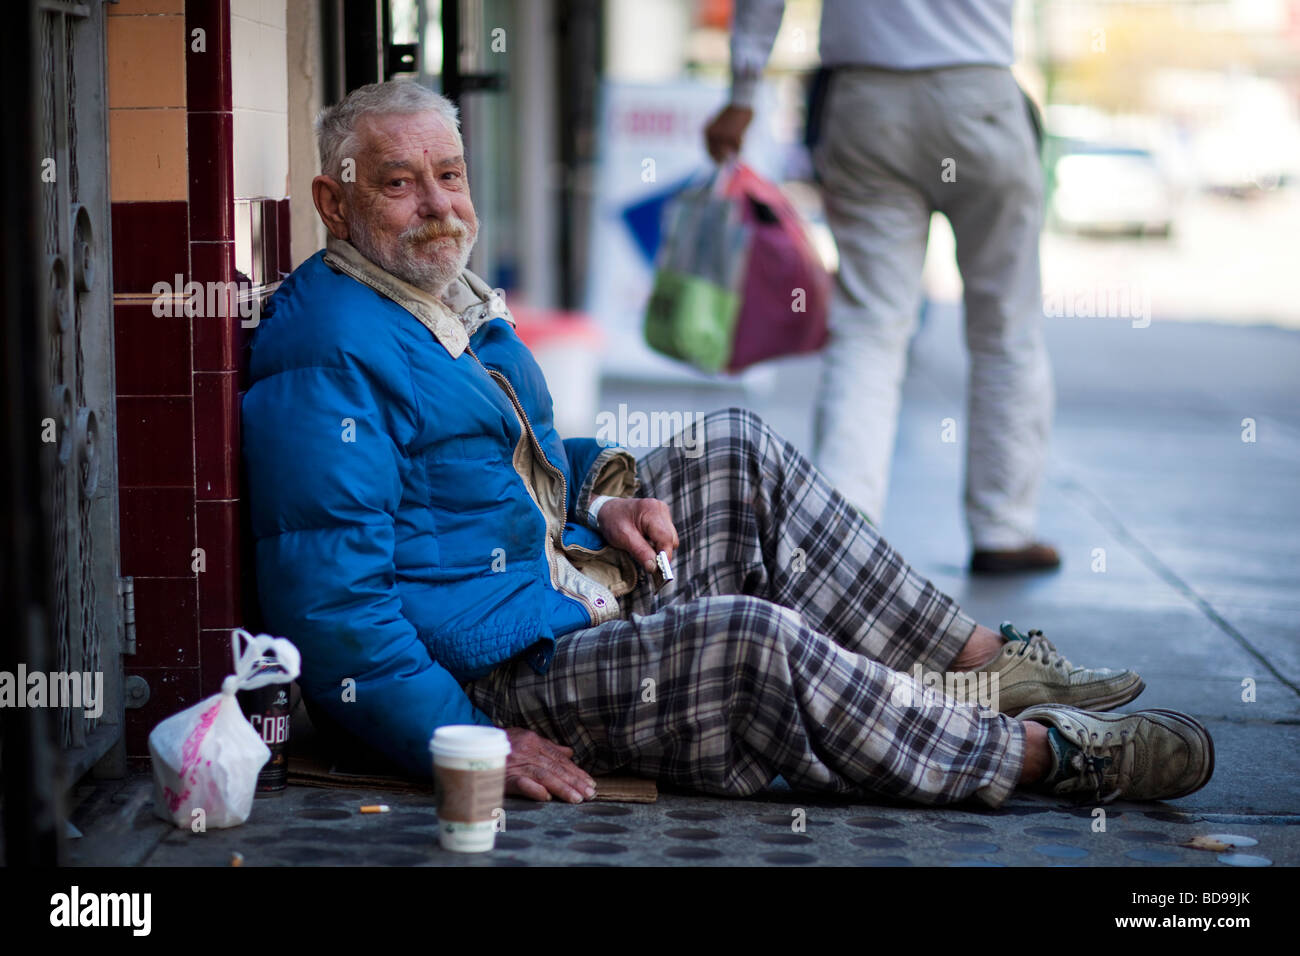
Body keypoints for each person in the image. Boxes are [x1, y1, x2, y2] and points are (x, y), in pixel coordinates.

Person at [242, 80, 1213, 810]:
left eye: (448, 176)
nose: (438, 205)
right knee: (752, 643)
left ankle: (986, 663)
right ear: (335, 204)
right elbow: (333, 611)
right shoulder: (329, 345)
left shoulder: (436, 295)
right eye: (399, 184)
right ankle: (1047, 755)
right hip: (500, 671)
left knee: (737, 452)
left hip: (557, 582)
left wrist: (605, 493)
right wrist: (467, 737)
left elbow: (521, 449)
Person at [706, 0, 1061, 573]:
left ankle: (842, 534)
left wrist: (743, 93)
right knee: (1006, 330)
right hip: (980, 93)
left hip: (867, 101)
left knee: (868, 330)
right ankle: (1004, 529)